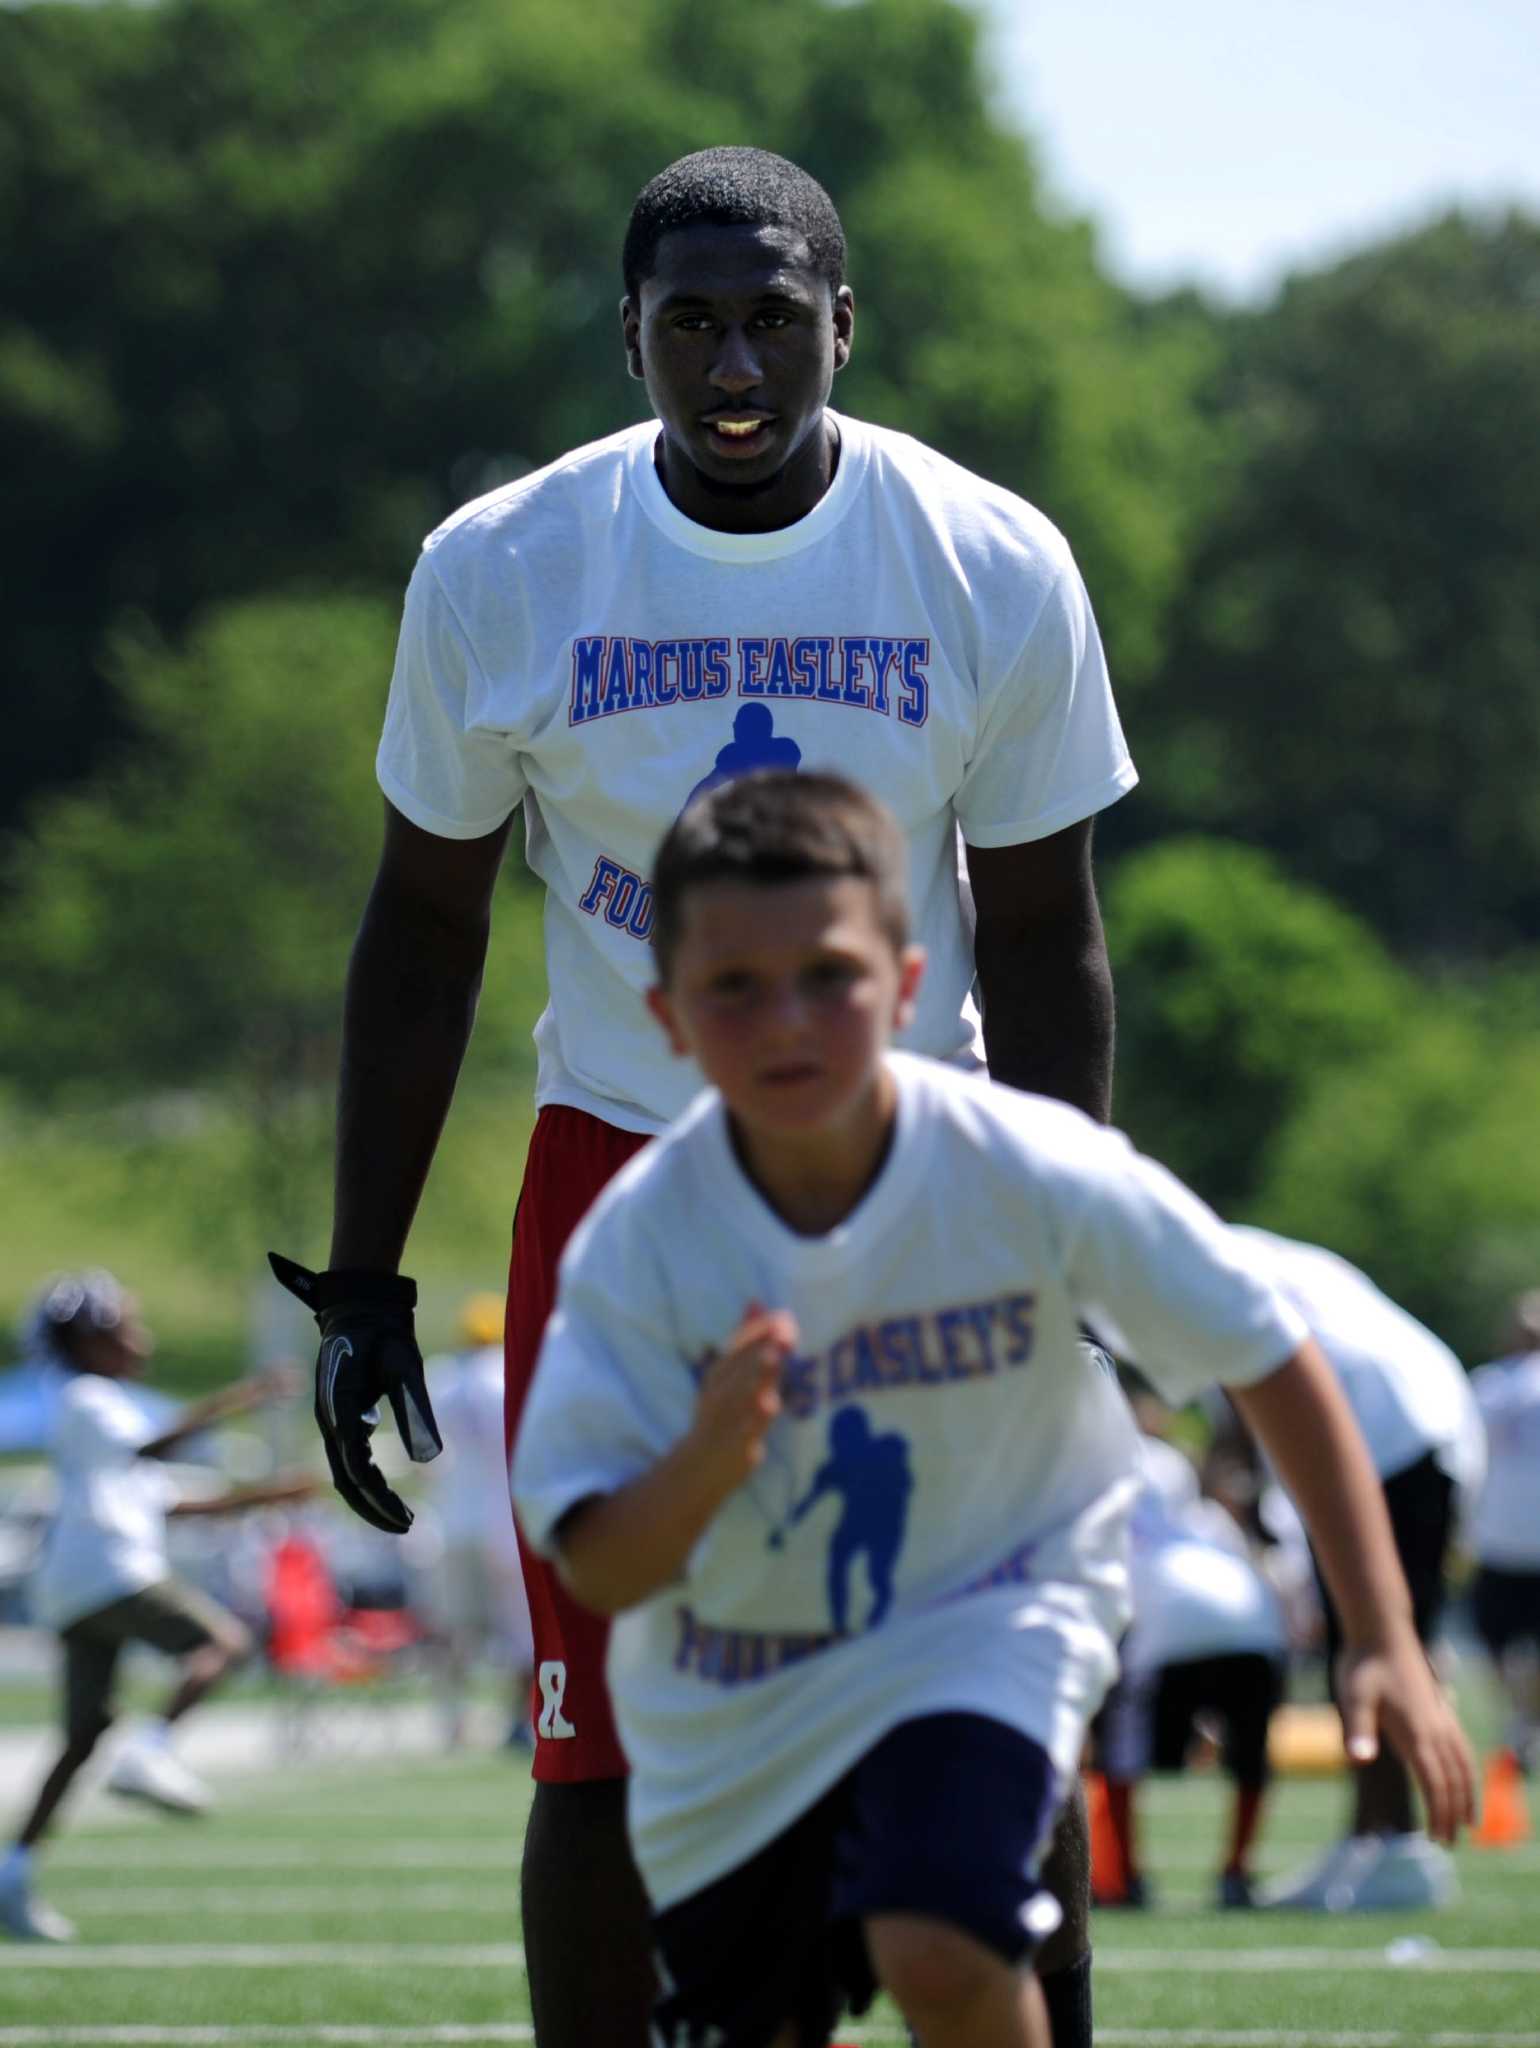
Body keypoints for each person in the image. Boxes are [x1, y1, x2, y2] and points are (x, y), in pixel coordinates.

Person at [269, 145, 1137, 2048]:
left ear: (844, 323)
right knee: (591, 1746)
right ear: (631, 337)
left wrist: (1074, 1232)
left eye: (770, 320)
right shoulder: (502, 563)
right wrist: (361, 1277)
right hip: (620, 1171)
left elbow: (1054, 940)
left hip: (917, 1169)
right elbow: (422, 937)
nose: (734, 367)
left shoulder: (988, 551)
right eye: (690, 325)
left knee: (992, 1697)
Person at [509, 771, 1472, 2048]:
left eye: (829, 975)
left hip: (989, 1611)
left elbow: (1266, 1348)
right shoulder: (642, 1243)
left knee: (942, 1936)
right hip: (733, 1672)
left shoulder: (1024, 1164)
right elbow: (601, 1556)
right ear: (667, 1019)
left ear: (907, 986)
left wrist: (1381, 1636)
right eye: (734, 986)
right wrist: (705, 1457)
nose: (786, 1018)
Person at [0, 1272, 311, 1943]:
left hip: (72, 1587)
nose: (142, 1338)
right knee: (223, 1643)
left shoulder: (98, 1427)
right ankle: (151, 1748)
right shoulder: (90, 1398)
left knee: (82, 1735)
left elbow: (172, 1499)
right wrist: (248, 1397)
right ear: (90, 1338)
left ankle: (15, 1869)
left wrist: (272, 1495)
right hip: (109, 1573)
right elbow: (156, 1447)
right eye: (127, 1326)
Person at [1220, 1228, 1485, 1912]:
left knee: (1371, 1649)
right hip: (1432, 1419)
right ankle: (1372, 1837)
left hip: (1382, 1436)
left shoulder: (1195, 1261)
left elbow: (1246, 1398)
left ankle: (1396, 1844)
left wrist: (1248, 1509)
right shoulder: (1260, 1249)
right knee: (1373, 1644)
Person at [1094, 1411, 1290, 1910]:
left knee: (1118, 1750)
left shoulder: (1100, 1503)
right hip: (1255, 1620)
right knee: (1251, 1755)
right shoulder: (1201, 1517)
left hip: (1168, 1624)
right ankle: (1236, 1872)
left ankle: (1124, 1877)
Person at [414, 1293, 535, 1748]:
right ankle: (518, 1719)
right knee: (521, 1629)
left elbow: (424, 1454)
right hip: (504, 1518)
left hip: (452, 1519)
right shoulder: (507, 1376)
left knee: (455, 1629)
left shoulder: (441, 1377)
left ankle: (453, 1720)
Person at [1467, 1292, 1540, 1777]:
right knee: (1495, 1642)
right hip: (1499, 1540)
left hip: (1508, 1538)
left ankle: (1525, 1724)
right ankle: (1523, 1722)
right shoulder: (1488, 1386)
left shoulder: (1488, 1387)